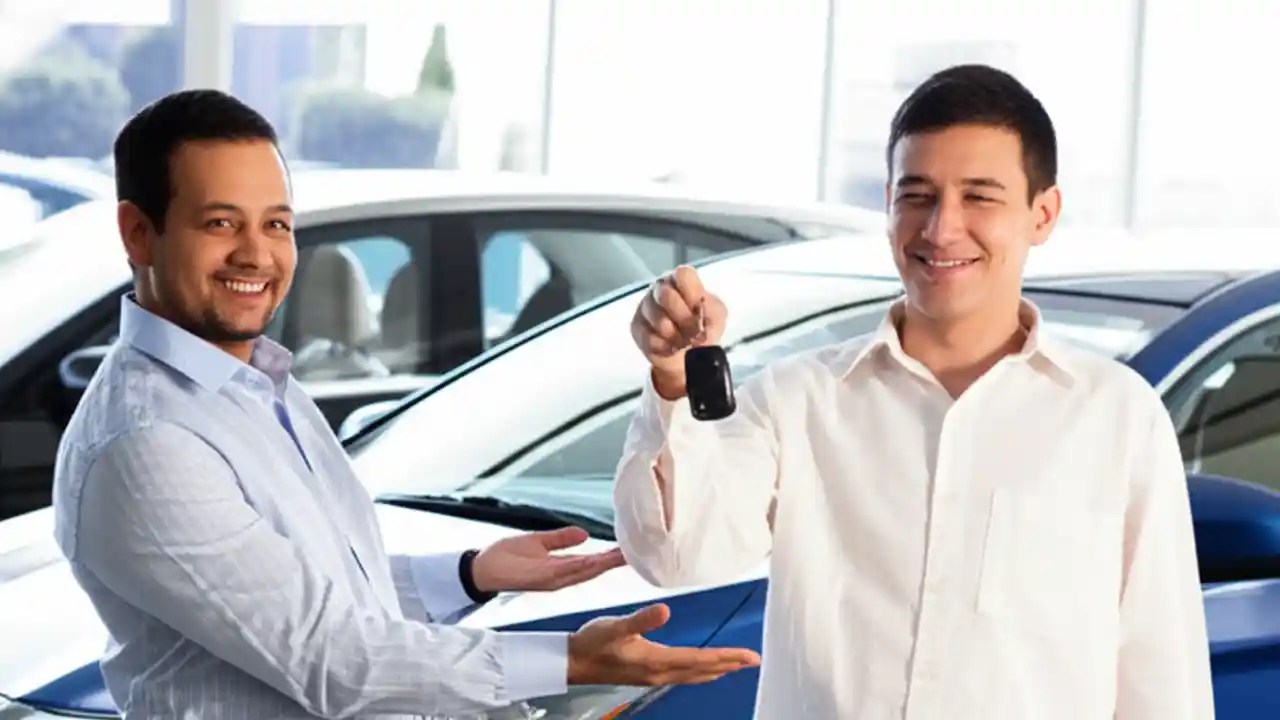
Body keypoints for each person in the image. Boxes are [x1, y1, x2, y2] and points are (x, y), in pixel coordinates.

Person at [51, 89, 759, 719]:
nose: (257, 255)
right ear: (138, 232)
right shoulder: (146, 441)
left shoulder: (254, 383)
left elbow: (307, 588)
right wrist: (570, 661)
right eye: (220, 224)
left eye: (275, 224)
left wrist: (468, 573)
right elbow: (333, 658)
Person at [613, 63, 1214, 719]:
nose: (940, 229)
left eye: (979, 196)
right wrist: (673, 379)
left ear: (1042, 214)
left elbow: (1163, 672)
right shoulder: (799, 401)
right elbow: (672, 554)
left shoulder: (1116, 417)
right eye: (918, 195)